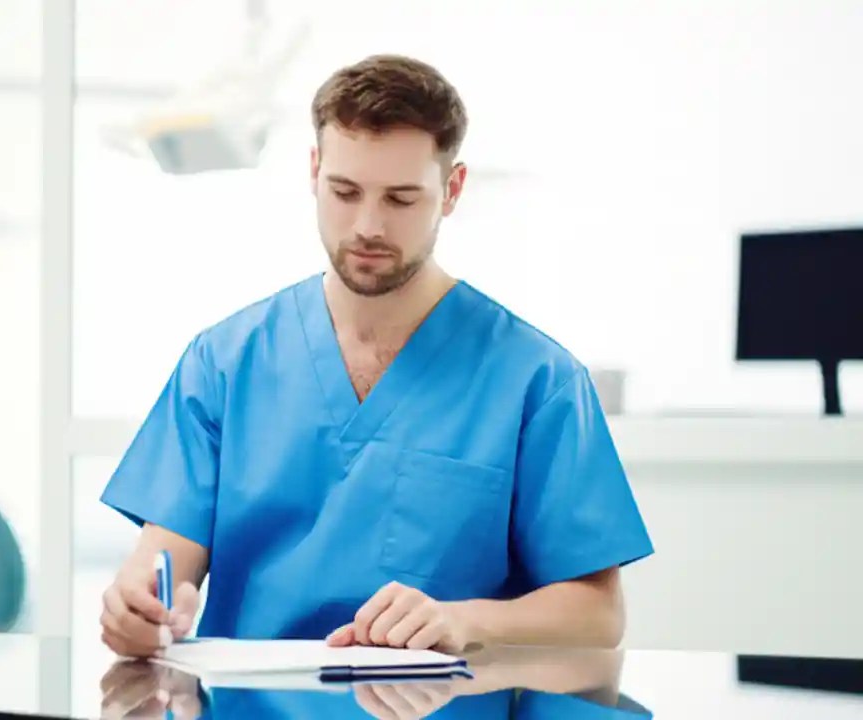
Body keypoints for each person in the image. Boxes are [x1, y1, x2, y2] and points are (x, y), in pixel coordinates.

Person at [98, 53, 653, 660]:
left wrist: (464, 621)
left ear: (453, 190)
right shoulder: (224, 363)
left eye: (400, 199)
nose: (367, 225)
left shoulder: (537, 380)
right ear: (314, 171)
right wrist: (138, 612)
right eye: (345, 191)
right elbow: (163, 565)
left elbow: (598, 612)